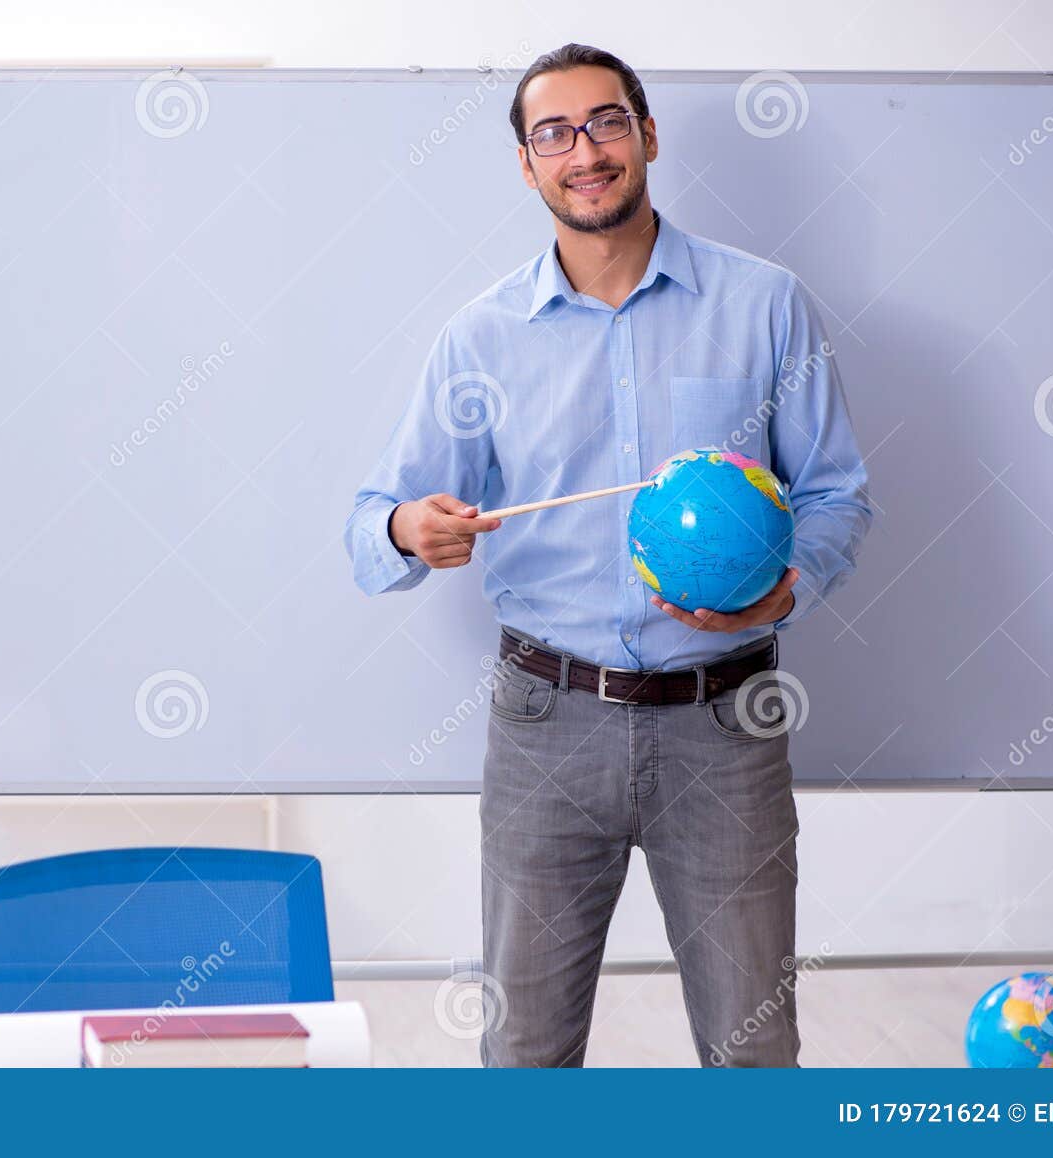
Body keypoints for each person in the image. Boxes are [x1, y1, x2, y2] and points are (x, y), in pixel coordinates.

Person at [343, 43, 874, 1067]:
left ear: (647, 137)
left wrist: (782, 590)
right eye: (554, 134)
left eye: (605, 123)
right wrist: (412, 528)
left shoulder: (764, 305)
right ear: (526, 165)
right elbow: (374, 521)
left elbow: (836, 494)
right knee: (526, 1059)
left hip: (725, 722)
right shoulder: (480, 338)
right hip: (545, 727)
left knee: (753, 1059)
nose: (583, 151)